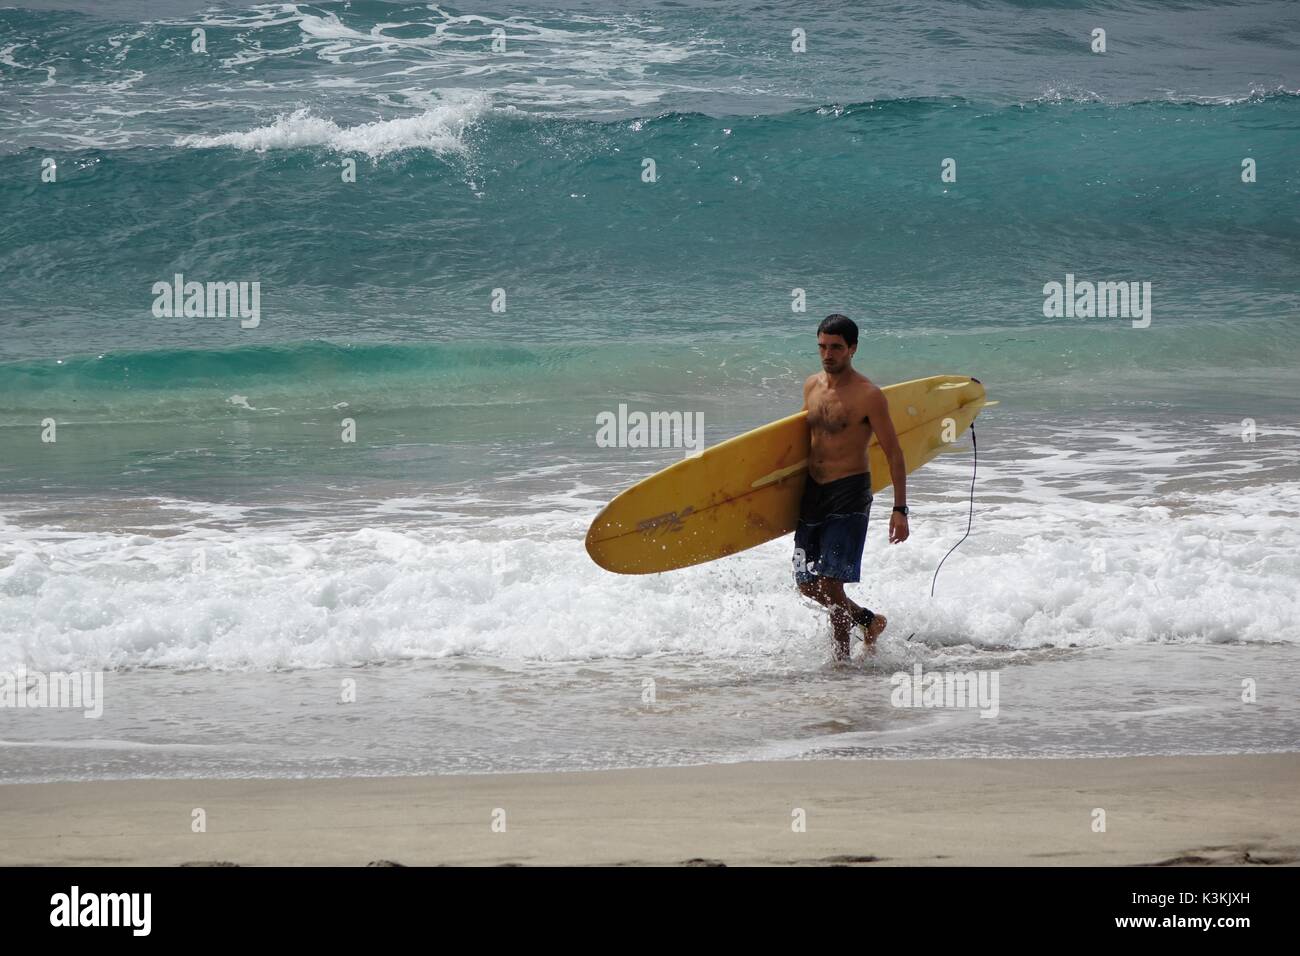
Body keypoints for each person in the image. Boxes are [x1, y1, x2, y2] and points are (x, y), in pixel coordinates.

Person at [795, 314, 910, 660]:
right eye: (822, 347)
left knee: (831, 583)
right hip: (813, 493)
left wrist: (900, 509)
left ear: (853, 349)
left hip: (849, 492)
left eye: (836, 348)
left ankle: (840, 663)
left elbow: (894, 453)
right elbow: (800, 441)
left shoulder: (868, 395)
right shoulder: (811, 387)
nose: (827, 354)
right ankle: (868, 620)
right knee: (806, 584)